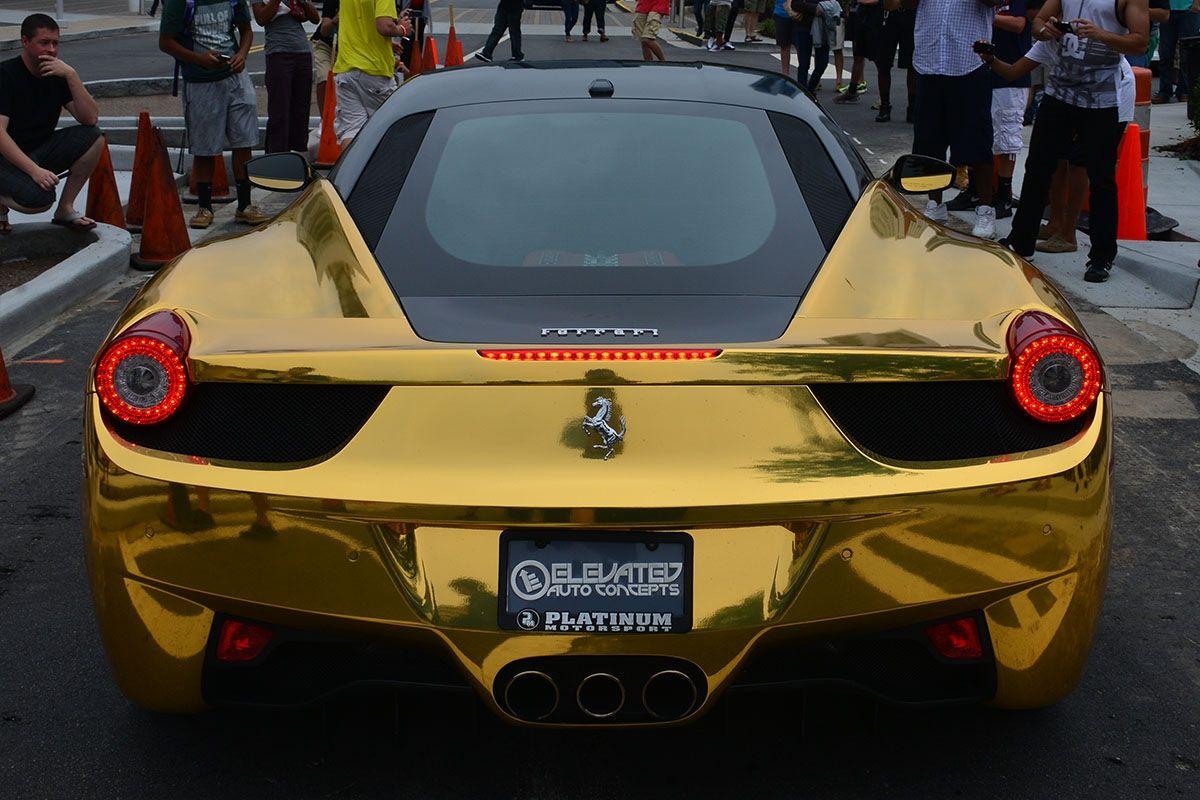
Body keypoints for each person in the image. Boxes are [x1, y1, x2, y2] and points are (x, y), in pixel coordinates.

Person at [999, 0, 1149, 282]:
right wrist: (1046, 31)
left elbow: (1140, 42)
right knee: (1038, 168)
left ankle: (1101, 257)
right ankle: (1022, 241)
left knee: (1101, 178)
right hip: (1060, 94)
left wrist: (1100, 34)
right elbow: (1038, 22)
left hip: (1100, 100)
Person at [160, 0, 269, 230]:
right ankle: (205, 207)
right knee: (204, 147)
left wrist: (242, 54)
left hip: (236, 79)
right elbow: (166, 42)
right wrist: (199, 59)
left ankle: (245, 205)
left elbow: (246, 30)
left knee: (244, 141)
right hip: (201, 83)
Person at [894, 0, 997, 239]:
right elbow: (899, 5)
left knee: (977, 141)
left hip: (969, 65)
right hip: (930, 63)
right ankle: (935, 205)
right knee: (929, 143)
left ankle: (985, 209)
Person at [0, 14, 101, 234]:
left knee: (94, 136)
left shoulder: (58, 74)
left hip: (38, 150)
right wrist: (35, 171)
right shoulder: (5, 75)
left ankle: (65, 209)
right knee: (39, 200)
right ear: (25, 42)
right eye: (44, 43)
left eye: (55, 43)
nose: (51, 49)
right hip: (5, 158)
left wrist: (72, 76)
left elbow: (90, 118)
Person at [332, 0, 409, 145]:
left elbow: (360, 25)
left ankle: (350, 167)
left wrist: (384, 44)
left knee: (351, 132)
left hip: (346, 68)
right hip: (374, 71)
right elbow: (384, 26)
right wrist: (403, 29)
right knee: (391, 129)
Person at [253, 0, 319, 155]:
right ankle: (276, 157)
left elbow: (316, 19)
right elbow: (261, 19)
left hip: (302, 52)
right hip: (278, 53)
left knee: (301, 110)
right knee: (279, 110)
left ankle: (298, 155)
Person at [872, 4, 915, 121]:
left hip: (910, 13)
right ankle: (884, 106)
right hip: (888, 14)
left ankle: (912, 108)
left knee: (912, 64)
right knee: (883, 63)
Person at [1153, 0, 1199, 102]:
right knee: (1165, 53)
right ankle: (1164, 92)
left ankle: (1185, 91)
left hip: (1189, 10)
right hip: (1167, 10)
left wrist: (1196, 4)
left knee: (1187, 54)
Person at [836, 0, 880, 102]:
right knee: (858, 54)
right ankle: (852, 91)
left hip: (875, 15)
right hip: (859, 13)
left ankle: (884, 98)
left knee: (878, 57)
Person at [311, 0, 339, 118]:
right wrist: (335, 20)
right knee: (325, 77)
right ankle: (325, 119)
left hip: (349, 47)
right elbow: (324, 30)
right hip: (326, 44)